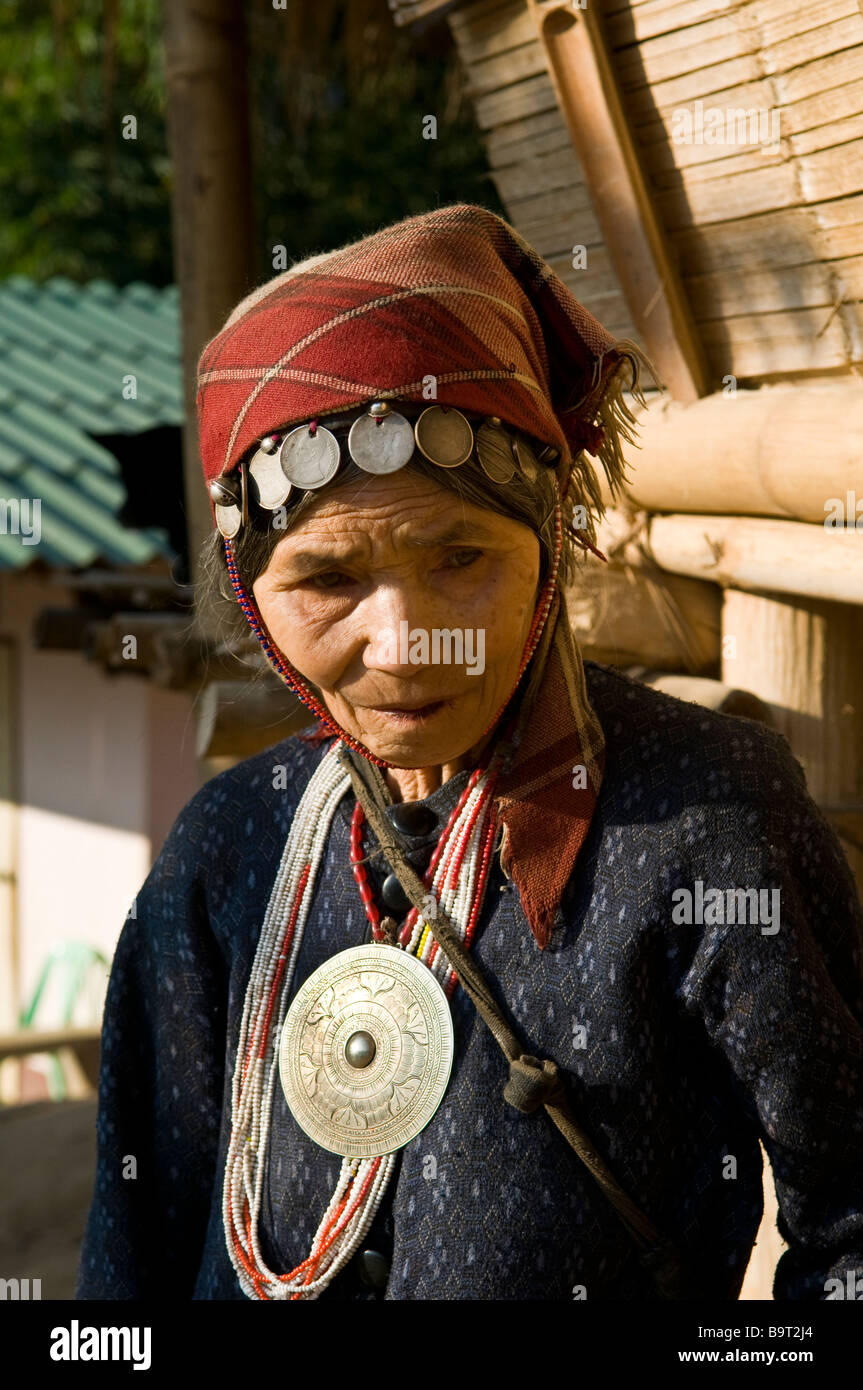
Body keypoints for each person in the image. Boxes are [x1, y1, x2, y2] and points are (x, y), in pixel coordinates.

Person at [77, 203, 863, 1301]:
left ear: (549, 537)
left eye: (459, 557)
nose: (402, 648)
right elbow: (133, 1250)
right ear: (250, 597)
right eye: (326, 581)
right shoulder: (230, 844)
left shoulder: (705, 817)